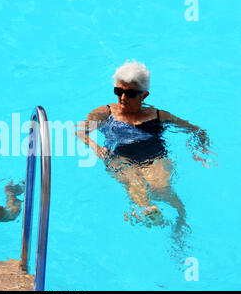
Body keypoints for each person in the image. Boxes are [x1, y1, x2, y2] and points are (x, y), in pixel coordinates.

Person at [76, 60, 216, 233]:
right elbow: (79, 131)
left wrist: (200, 150)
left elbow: (196, 130)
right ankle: (145, 210)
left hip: (154, 157)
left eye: (130, 94)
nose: (123, 98)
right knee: (135, 184)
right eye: (118, 91)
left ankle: (179, 228)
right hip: (120, 157)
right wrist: (95, 147)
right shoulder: (106, 112)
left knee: (162, 189)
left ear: (144, 95)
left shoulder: (159, 115)